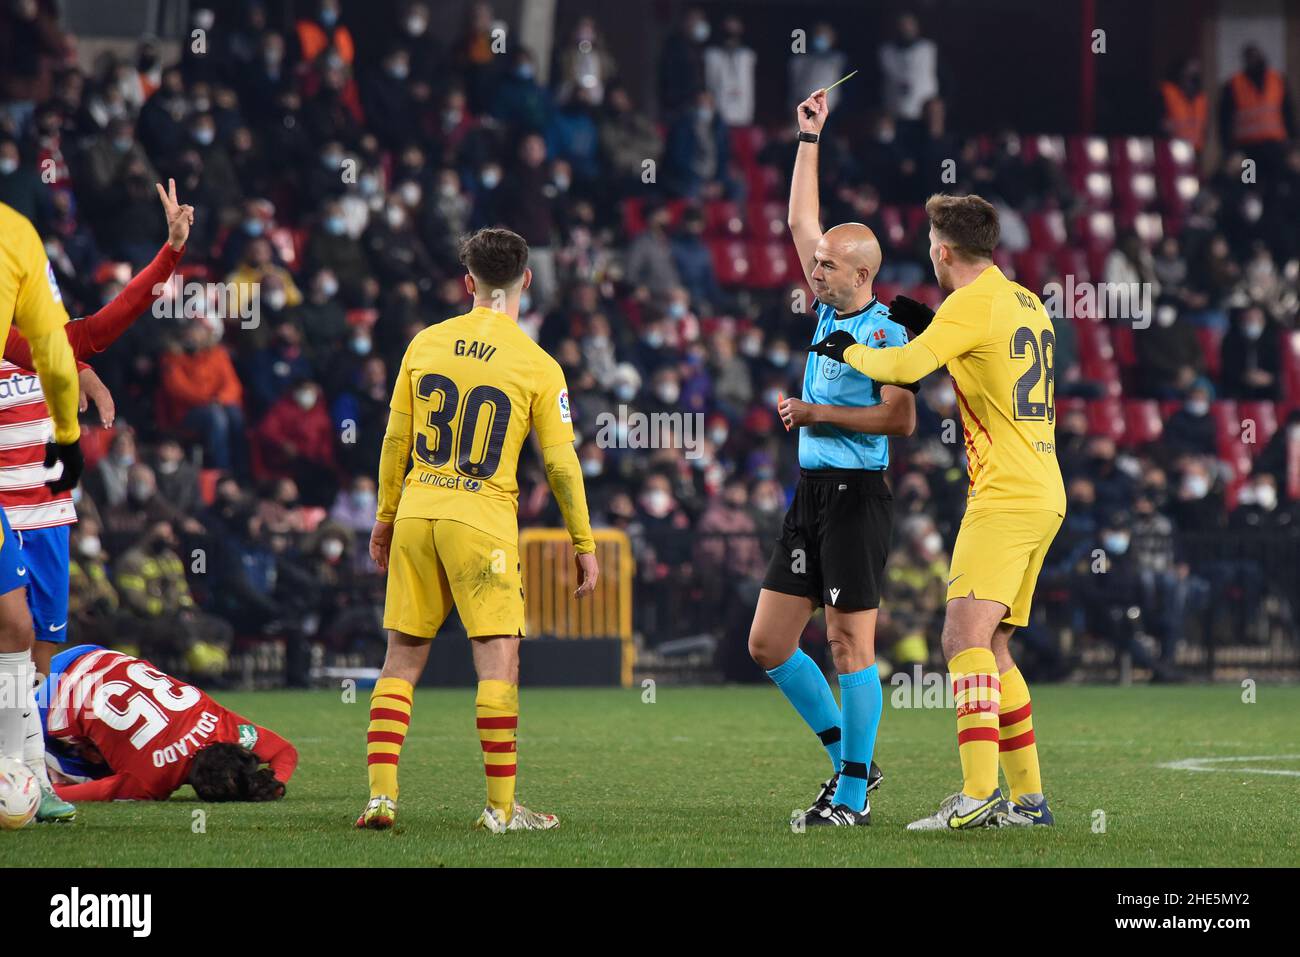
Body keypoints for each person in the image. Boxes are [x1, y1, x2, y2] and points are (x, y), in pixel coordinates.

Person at [815, 193, 1066, 830]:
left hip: (1004, 495)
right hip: (1044, 489)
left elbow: (902, 366)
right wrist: (933, 324)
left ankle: (977, 796)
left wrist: (847, 349)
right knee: (997, 645)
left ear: (943, 250)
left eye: (930, 241)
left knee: (960, 638)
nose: (928, 250)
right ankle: (1029, 802)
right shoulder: (1025, 301)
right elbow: (987, 361)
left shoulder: (969, 304)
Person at [358, 227, 599, 833]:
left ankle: (382, 799)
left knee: (401, 658)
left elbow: (394, 442)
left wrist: (385, 518)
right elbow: (562, 465)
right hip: (482, 520)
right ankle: (499, 809)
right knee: (498, 664)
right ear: (527, 281)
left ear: (468, 283)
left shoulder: (424, 343)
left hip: (417, 508)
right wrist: (583, 543)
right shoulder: (539, 366)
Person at [746, 88, 916, 827]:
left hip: (857, 495)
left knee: (851, 642)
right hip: (811, 494)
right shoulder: (824, 305)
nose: (814, 271)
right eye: (814, 263)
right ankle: (857, 759)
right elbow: (796, 219)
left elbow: (901, 417)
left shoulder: (885, 334)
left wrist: (816, 412)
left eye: (828, 267)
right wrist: (809, 137)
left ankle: (850, 794)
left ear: (862, 277)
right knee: (768, 642)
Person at [0, 198, 85, 824]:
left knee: (39, 649)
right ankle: (20, 771)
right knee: (12, 634)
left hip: (50, 512)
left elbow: (75, 359)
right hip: (5, 508)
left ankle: (32, 775)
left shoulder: (43, 343)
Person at [40, 644, 296, 802]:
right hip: (47, 696)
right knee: (89, 774)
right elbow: (90, 793)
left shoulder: (224, 725)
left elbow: (285, 751)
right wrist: (40, 795)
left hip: (97, 655)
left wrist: (276, 779)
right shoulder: (151, 782)